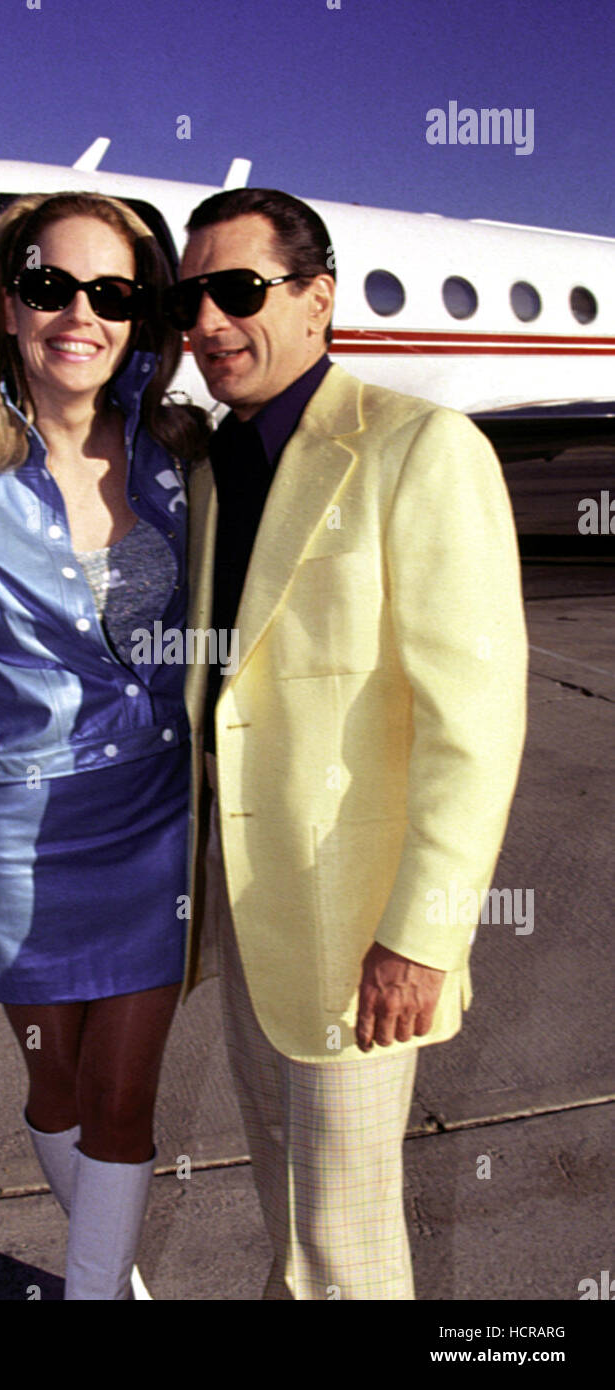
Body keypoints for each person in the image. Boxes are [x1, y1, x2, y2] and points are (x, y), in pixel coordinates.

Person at [167, 188, 528, 1300]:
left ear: (319, 300)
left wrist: (422, 935)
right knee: (290, 1210)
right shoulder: (216, 467)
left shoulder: (420, 447)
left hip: (356, 929)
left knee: (347, 1245)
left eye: (239, 291)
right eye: (190, 300)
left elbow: (473, 720)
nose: (209, 323)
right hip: (246, 902)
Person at [0, 190, 208, 1300]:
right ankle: (110, 1274)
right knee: (53, 1087)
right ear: (9, 304)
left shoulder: (181, 457)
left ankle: (91, 1289)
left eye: (113, 292)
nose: (81, 312)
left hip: (153, 823)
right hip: (16, 837)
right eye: (52, 285)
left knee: (123, 1097)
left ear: (139, 316)